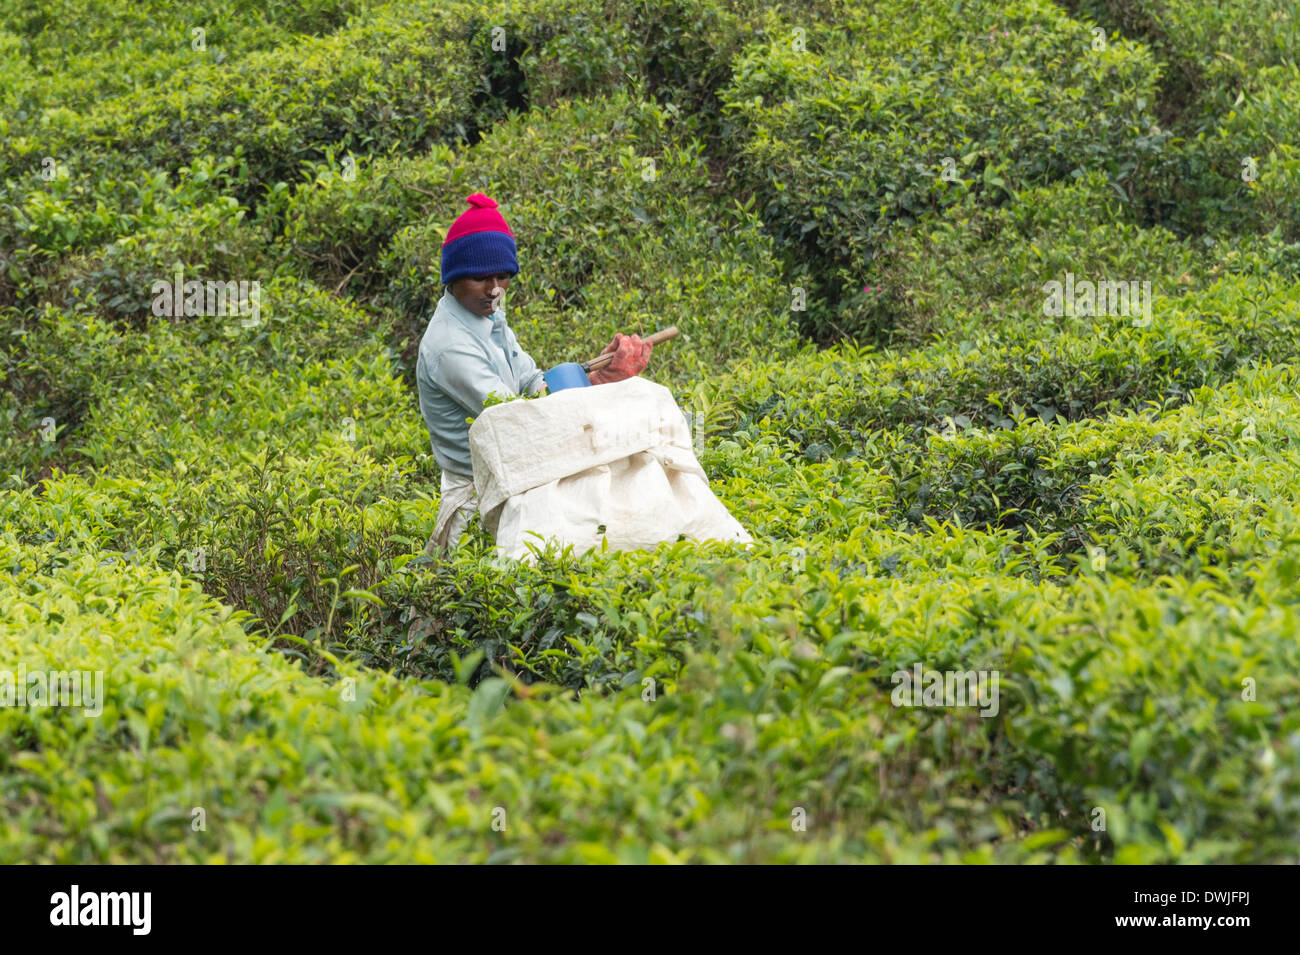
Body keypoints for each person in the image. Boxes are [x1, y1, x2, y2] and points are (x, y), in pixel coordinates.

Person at [416, 192, 653, 556]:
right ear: (455, 278)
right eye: (481, 279)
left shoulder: (488, 314)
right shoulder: (450, 346)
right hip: (477, 501)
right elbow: (517, 420)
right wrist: (593, 393)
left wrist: (592, 379)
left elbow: (531, 382)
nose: (495, 289)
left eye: (503, 277)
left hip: (517, 481)